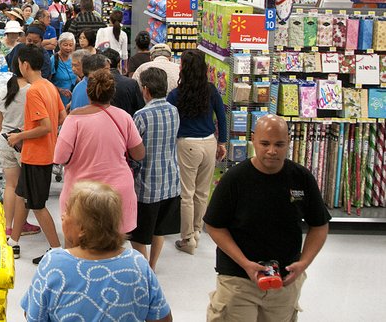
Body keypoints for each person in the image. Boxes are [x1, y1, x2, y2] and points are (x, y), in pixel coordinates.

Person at [204, 114, 330, 321]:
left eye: (279, 144)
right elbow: (215, 226)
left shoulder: (302, 178)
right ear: (253, 140)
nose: (272, 151)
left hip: (284, 281)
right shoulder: (234, 179)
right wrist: (245, 263)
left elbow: (319, 225)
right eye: (265, 143)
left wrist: (304, 263)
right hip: (238, 280)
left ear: (288, 142)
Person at [22, 181, 172, 322]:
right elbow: (163, 317)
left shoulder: (53, 263)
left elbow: (32, 315)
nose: (62, 216)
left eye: (67, 212)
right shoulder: (138, 263)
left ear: (82, 229)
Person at [54, 68, 144, 235]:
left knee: (77, 245)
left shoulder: (74, 119)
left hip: (81, 193)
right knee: (112, 245)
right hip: (117, 192)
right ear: (112, 93)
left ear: (88, 93)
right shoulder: (124, 117)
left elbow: (60, 157)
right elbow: (139, 154)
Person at [6, 45, 66, 265]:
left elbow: (46, 126)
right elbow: (62, 116)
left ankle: (57, 250)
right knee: (22, 196)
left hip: (36, 156)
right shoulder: (50, 86)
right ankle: (13, 242)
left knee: (38, 205)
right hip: (45, 152)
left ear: (25, 65)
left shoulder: (33, 91)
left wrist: (19, 137)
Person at [166, 49, 228, 254]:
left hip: (186, 145)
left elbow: (170, 120)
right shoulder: (211, 90)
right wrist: (223, 142)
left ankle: (187, 239)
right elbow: (222, 116)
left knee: (186, 194)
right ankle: (198, 231)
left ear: (183, 68)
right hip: (209, 143)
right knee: (202, 193)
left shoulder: (176, 94)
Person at [130, 68, 181, 270]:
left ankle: (144, 271)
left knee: (138, 235)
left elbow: (134, 148)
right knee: (159, 230)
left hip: (146, 184)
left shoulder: (141, 115)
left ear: (146, 90)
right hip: (170, 181)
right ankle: (151, 266)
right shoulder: (174, 110)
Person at [0, 57, 40, 239]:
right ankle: (21, 225)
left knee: (10, 185)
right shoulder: (31, 91)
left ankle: (7, 226)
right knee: (23, 188)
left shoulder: (3, 89)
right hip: (24, 142)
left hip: (5, 140)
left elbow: (0, 122)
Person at [102, 48, 145, 116]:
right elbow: (140, 108)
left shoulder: (97, 84)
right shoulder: (132, 83)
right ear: (119, 64)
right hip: (128, 123)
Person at [51, 32, 77, 107]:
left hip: (72, 100)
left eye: (71, 45)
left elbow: (76, 76)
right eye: (65, 45)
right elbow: (46, 81)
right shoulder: (54, 60)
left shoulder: (74, 58)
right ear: (59, 45)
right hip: (58, 101)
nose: (68, 48)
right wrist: (60, 90)